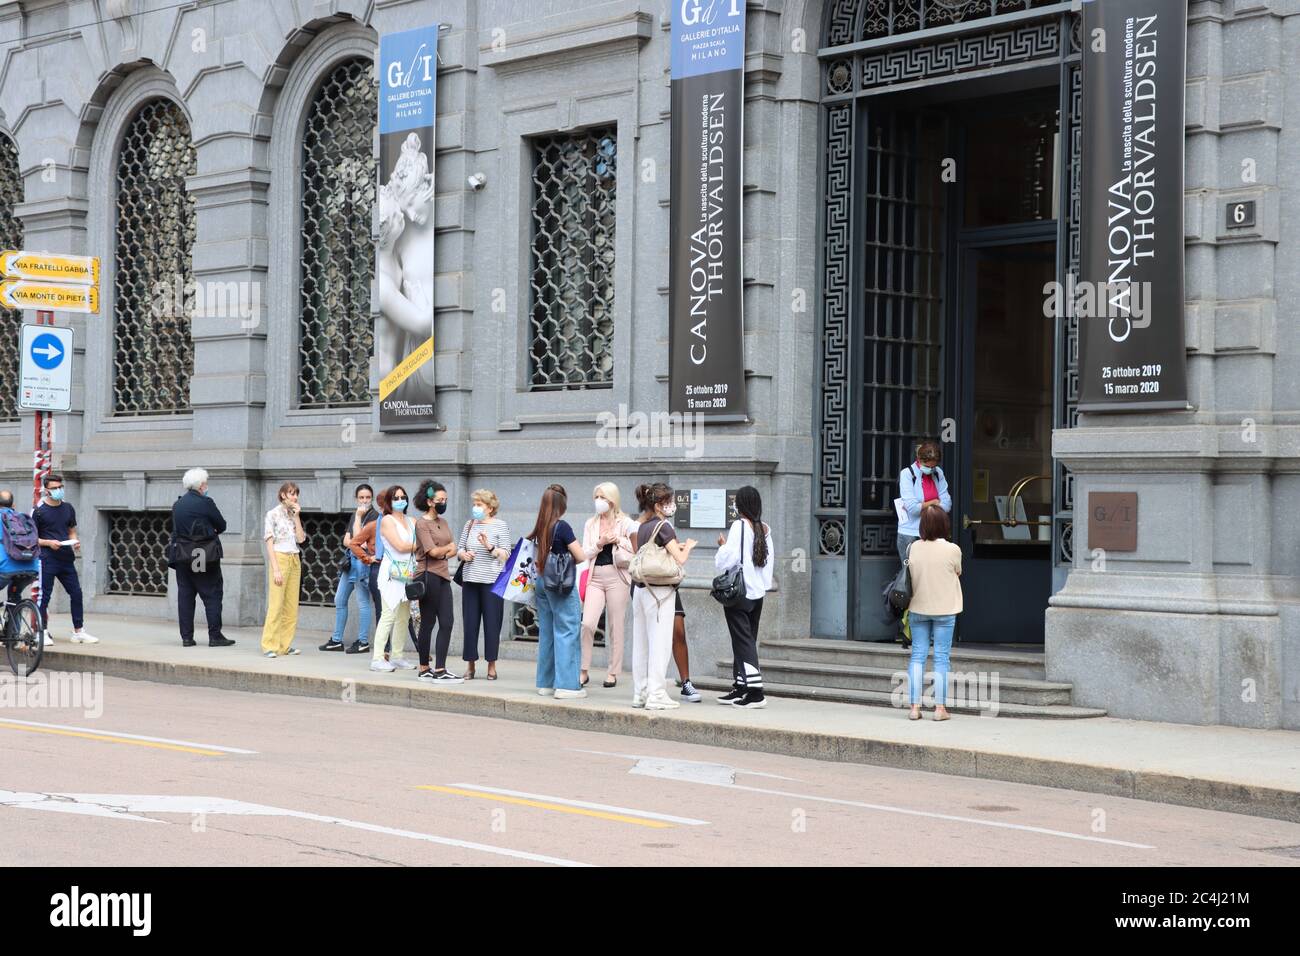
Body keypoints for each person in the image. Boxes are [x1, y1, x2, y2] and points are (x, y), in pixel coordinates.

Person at [629, 483, 696, 710]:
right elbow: (680, 558)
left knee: (641, 644)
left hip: (640, 589)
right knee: (660, 643)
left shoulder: (643, 527)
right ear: (658, 505)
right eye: (668, 502)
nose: (672, 505)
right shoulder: (664, 526)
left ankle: (641, 692)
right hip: (659, 592)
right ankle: (657, 694)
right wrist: (688, 547)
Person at [715, 486, 776, 709]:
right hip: (757, 593)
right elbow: (769, 562)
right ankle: (741, 685)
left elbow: (728, 559)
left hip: (740, 592)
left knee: (743, 641)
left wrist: (722, 547)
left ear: (740, 506)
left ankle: (755, 692)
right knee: (745, 639)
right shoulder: (764, 528)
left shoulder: (740, 526)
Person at [906, 505, 962, 721]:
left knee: (917, 656)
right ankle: (939, 709)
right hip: (945, 609)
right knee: (941, 658)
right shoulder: (952, 549)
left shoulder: (913, 548)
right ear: (944, 525)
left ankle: (914, 707)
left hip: (918, 608)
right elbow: (958, 571)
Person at [530, 487, 587, 699]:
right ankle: (567, 686)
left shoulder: (540, 526)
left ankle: (545, 683)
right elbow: (580, 556)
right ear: (561, 505)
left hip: (542, 581)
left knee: (547, 632)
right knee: (568, 631)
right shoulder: (562, 527)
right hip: (560, 583)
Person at [579, 482, 635, 688]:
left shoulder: (625, 522)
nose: (598, 501)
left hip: (617, 577)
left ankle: (613, 672)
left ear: (612, 500)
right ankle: (583, 669)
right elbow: (585, 552)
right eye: (596, 497)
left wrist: (617, 539)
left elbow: (635, 546)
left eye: (602, 497)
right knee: (587, 623)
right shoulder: (590, 524)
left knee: (615, 626)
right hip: (594, 577)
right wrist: (600, 543)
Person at [171, 468, 234, 648]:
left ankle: (187, 637)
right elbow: (221, 525)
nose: (207, 486)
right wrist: (210, 530)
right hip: (205, 555)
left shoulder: (178, 504)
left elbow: (176, 529)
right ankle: (215, 636)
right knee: (212, 595)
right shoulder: (206, 503)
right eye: (205, 483)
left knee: (185, 596)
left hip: (183, 555)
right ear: (200, 485)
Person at [33, 474, 96, 644]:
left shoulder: (68, 508)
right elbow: (32, 538)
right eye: (54, 488)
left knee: (76, 593)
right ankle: (42, 632)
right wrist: (48, 542)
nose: (58, 491)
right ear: (46, 490)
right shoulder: (38, 511)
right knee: (44, 596)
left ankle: (78, 631)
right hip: (46, 559)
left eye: (60, 487)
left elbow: (71, 530)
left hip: (66, 559)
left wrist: (75, 541)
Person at [456, 488, 511, 680]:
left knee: (492, 624)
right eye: (474, 504)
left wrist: (490, 547)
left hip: (492, 582)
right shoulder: (469, 524)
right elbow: (460, 548)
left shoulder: (500, 526)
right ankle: (470, 665)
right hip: (470, 580)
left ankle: (492, 666)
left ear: (489, 507)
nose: (475, 508)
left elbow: (506, 554)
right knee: (470, 624)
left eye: (479, 505)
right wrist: (464, 554)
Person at [412, 480, 461, 683]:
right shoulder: (422, 523)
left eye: (446, 500)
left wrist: (446, 551)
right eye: (440, 500)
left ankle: (439, 668)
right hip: (428, 575)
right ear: (430, 501)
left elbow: (455, 547)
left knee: (447, 622)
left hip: (442, 576)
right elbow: (432, 551)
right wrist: (446, 551)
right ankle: (426, 668)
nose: (443, 503)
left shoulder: (444, 522)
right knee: (428, 623)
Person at [321, 484, 377, 653]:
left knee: (362, 602)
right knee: (339, 599)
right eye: (361, 498)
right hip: (350, 563)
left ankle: (363, 641)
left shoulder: (375, 516)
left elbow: (362, 542)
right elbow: (347, 541)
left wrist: (357, 536)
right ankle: (337, 640)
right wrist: (357, 538)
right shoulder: (355, 514)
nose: (364, 501)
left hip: (362, 562)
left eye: (367, 497)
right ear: (356, 499)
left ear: (372, 498)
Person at [369, 485, 418, 673]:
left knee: (404, 617)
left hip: (409, 573)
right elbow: (399, 546)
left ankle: (397, 656)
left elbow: (411, 545)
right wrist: (419, 544)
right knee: (388, 614)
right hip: (392, 573)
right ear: (389, 502)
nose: (400, 500)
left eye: (403, 497)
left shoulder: (411, 520)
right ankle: (378, 658)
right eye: (396, 498)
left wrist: (415, 545)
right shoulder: (387, 520)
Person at [261, 481, 306, 658]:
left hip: (294, 558)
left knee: (291, 606)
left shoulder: (292, 515)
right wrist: (276, 569)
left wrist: (296, 517)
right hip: (280, 557)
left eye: (296, 494)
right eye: (291, 493)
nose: (294, 497)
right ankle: (269, 645)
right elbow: (269, 542)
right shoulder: (272, 514)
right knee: (276, 603)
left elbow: (301, 539)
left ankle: (284, 645)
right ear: (283, 495)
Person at [897, 440, 951, 564]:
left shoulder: (938, 473)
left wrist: (923, 505)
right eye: (927, 467)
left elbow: (947, 504)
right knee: (910, 575)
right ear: (919, 459)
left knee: (930, 573)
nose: (930, 470)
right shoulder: (907, 474)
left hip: (933, 533)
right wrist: (934, 502)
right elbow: (913, 508)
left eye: (933, 467)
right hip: (910, 533)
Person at [0, 489, 40, 609]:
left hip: (5, 569)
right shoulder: (23, 518)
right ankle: (13, 627)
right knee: (15, 595)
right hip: (31, 568)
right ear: (13, 505)